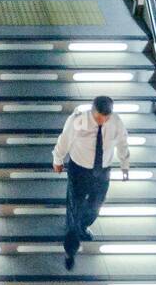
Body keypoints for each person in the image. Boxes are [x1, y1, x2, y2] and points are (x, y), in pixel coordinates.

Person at [53, 94, 130, 269]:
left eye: (105, 118)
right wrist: (58, 159)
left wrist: (125, 165)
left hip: (102, 170)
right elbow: (65, 139)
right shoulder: (79, 120)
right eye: (98, 118)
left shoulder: (116, 122)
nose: (101, 121)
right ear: (93, 111)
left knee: (97, 203)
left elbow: (122, 143)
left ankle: (81, 225)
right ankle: (71, 246)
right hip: (79, 168)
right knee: (76, 204)